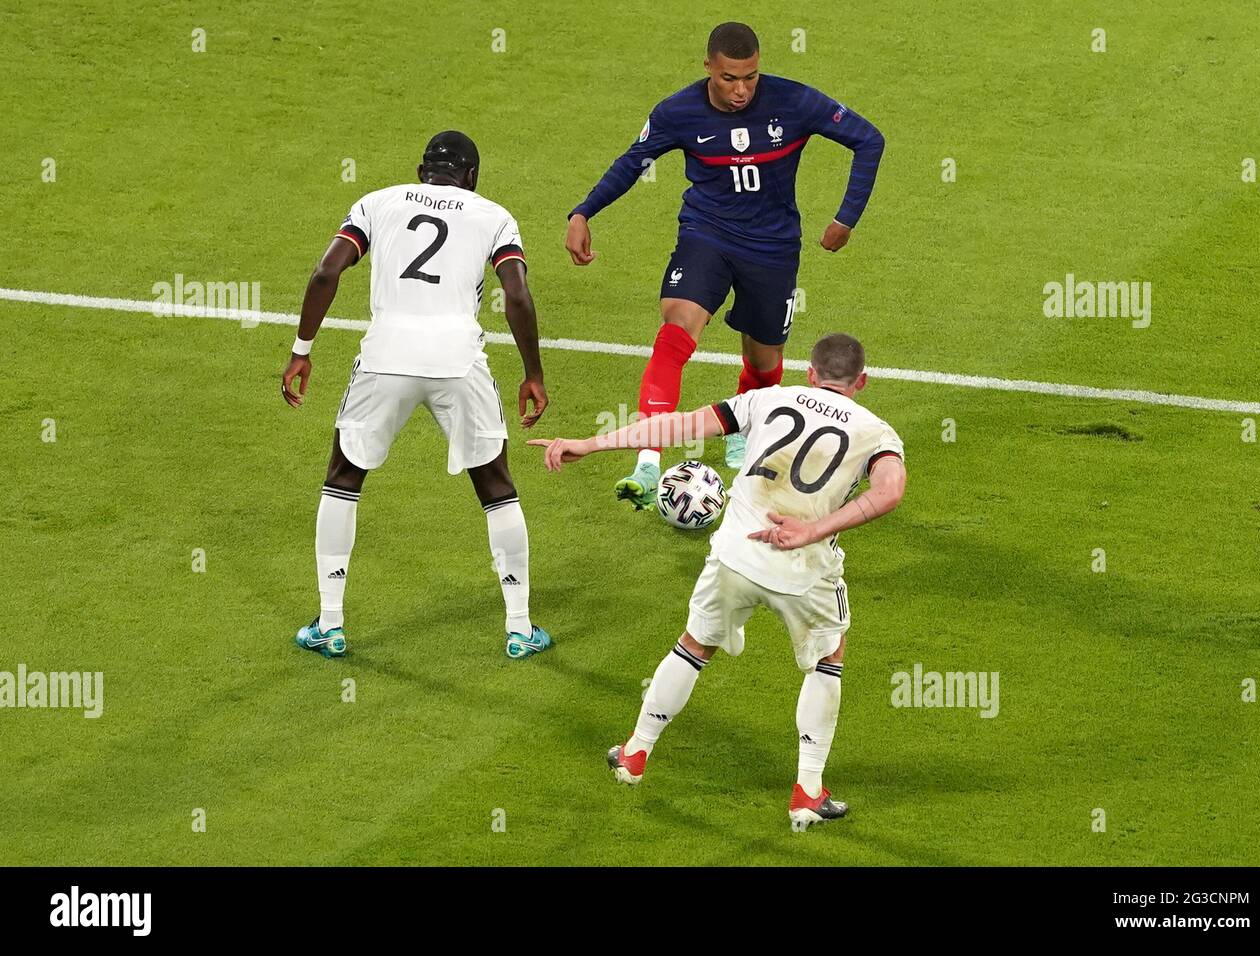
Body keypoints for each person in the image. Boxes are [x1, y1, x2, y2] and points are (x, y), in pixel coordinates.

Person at [529, 333, 906, 830]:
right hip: (804, 568)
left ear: (810, 373)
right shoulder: (877, 431)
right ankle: (807, 792)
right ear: (862, 381)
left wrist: (592, 443)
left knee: (695, 644)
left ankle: (635, 753)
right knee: (827, 658)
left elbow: (680, 424)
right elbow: (890, 491)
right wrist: (812, 529)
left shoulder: (766, 399)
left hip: (735, 555)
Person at [565, 21, 886, 509]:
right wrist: (583, 211)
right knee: (676, 324)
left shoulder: (794, 101)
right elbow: (633, 161)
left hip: (773, 247)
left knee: (763, 362)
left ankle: (743, 431)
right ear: (708, 69)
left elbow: (869, 139)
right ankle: (648, 462)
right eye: (729, 78)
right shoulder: (678, 112)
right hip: (706, 234)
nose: (741, 90)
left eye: (751, 78)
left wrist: (846, 218)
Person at [281, 131, 552, 660]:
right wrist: (533, 372)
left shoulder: (376, 202)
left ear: (420, 169)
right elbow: (516, 294)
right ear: (471, 177)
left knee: (343, 479)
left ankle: (330, 623)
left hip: (385, 357)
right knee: (496, 485)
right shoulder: (493, 215)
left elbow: (325, 272)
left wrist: (302, 349)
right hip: (457, 362)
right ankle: (519, 627)